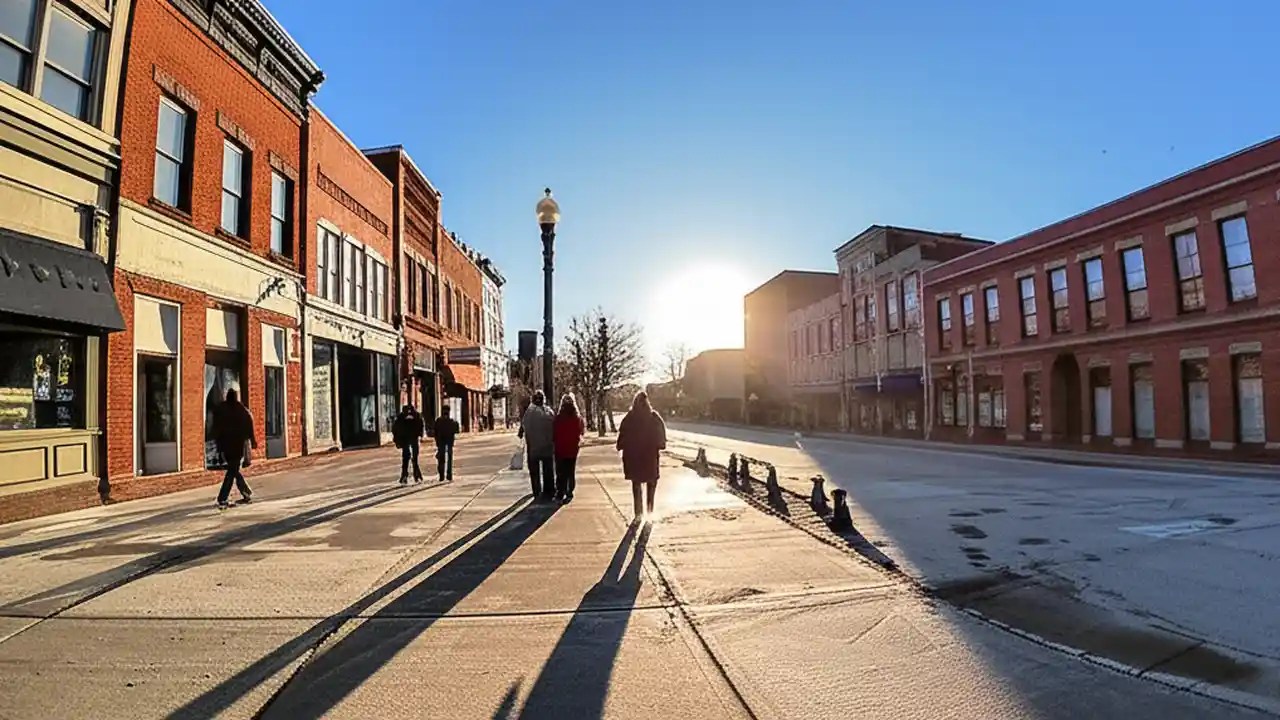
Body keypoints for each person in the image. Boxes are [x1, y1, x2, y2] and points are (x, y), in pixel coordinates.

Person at [616, 390, 667, 522]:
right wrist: (658, 445)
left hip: (634, 458)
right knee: (651, 484)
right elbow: (661, 439)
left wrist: (622, 446)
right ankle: (650, 512)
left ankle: (638, 514)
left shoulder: (629, 418)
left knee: (636, 485)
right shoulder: (654, 417)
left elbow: (621, 438)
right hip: (650, 457)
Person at [212, 389, 256, 509]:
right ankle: (223, 498)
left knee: (233, 469)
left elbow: (216, 427)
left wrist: (216, 443)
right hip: (238, 444)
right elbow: (249, 424)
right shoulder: (241, 409)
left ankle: (246, 493)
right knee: (233, 470)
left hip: (226, 445)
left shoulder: (221, 409)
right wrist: (253, 440)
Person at [518, 390, 556, 501]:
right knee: (548, 470)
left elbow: (523, 429)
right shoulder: (549, 412)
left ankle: (537, 491)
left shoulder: (529, 413)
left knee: (534, 472)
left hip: (533, 448)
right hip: (547, 447)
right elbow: (555, 427)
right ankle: (549, 491)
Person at [552, 393, 585, 503]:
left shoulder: (558, 418)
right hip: (572, 448)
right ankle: (569, 491)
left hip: (560, 448)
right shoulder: (577, 418)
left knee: (560, 471)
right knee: (571, 471)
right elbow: (581, 431)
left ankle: (560, 491)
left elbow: (554, 432)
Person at [393, 404, 426, 484]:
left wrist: (397, 440)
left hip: (406, 439)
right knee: (414, 458)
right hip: (412, 438)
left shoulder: (401, 416)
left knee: (406, 458)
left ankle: (405, 476)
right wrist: (420, 435)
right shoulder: (416, 415)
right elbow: (421, 426)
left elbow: (395, 429)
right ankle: (416, 475)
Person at [432, 405, 460, 482]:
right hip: (449, 441)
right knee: (449, 458)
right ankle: (449, 475)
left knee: (441, 458)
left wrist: (437, 440)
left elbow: (435, 432)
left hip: (441, 441)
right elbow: (457, 430)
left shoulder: (438, 421)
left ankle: (441, 476)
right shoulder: (452, 421)